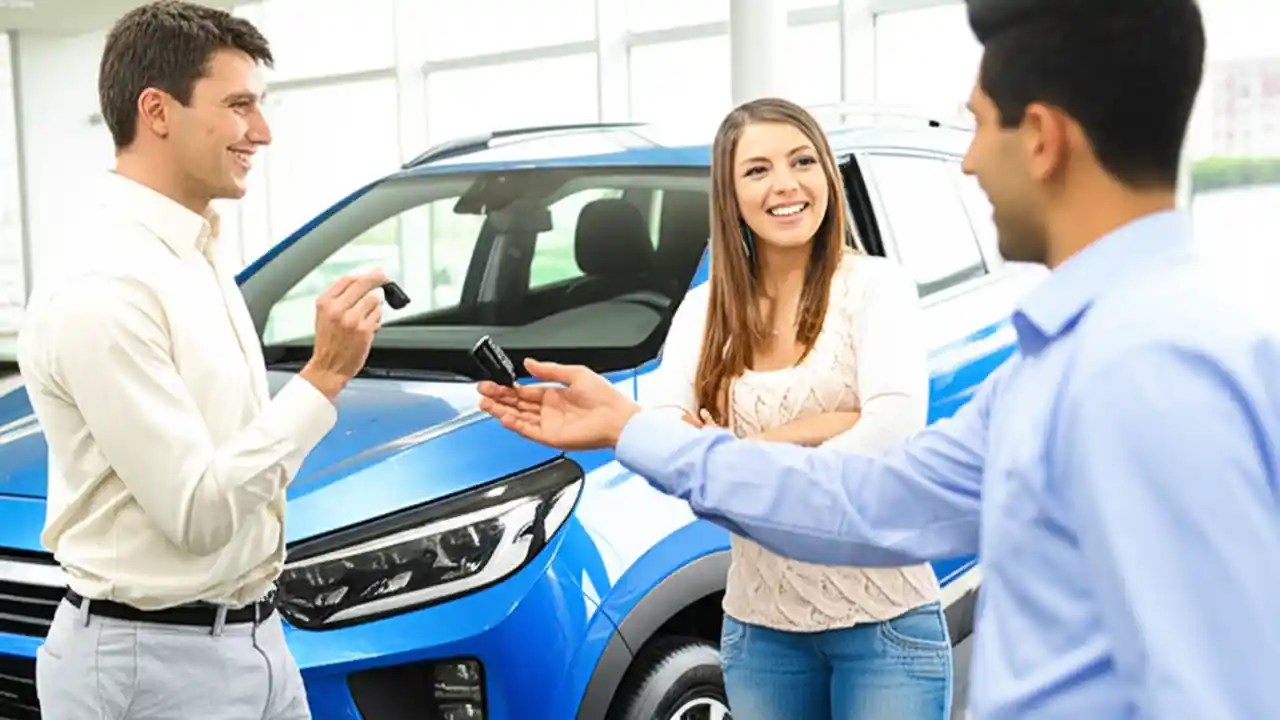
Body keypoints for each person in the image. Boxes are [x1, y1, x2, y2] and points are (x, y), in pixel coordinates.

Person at [477, 1, 1280, 718]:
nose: (965, 162)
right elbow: (872, 504)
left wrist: (682, 433)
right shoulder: (1070, 361)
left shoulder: (1153, 371)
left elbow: (1218, 690)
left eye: (977, 125)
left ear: (1041, 138)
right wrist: (631, 430)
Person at [16, 2, 387, 718]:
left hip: (255, 639)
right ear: (157, 110)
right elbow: (197, 514)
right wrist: (323, 378)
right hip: (152, 669)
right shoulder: (107, 285)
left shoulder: (196, 255)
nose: (263, 131)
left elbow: (238, 465)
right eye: (239, 104)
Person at [644, 97, 949, 718]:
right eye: (757, 170)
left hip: (884, 624)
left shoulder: (875, 287)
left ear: (827, 177)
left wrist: (741, 455)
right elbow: (663, 447)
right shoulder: (704, 312)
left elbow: (890, 432)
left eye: (802, 160)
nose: (785, 185)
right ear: (730, 196)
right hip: (761, 632)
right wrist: (828, 425)